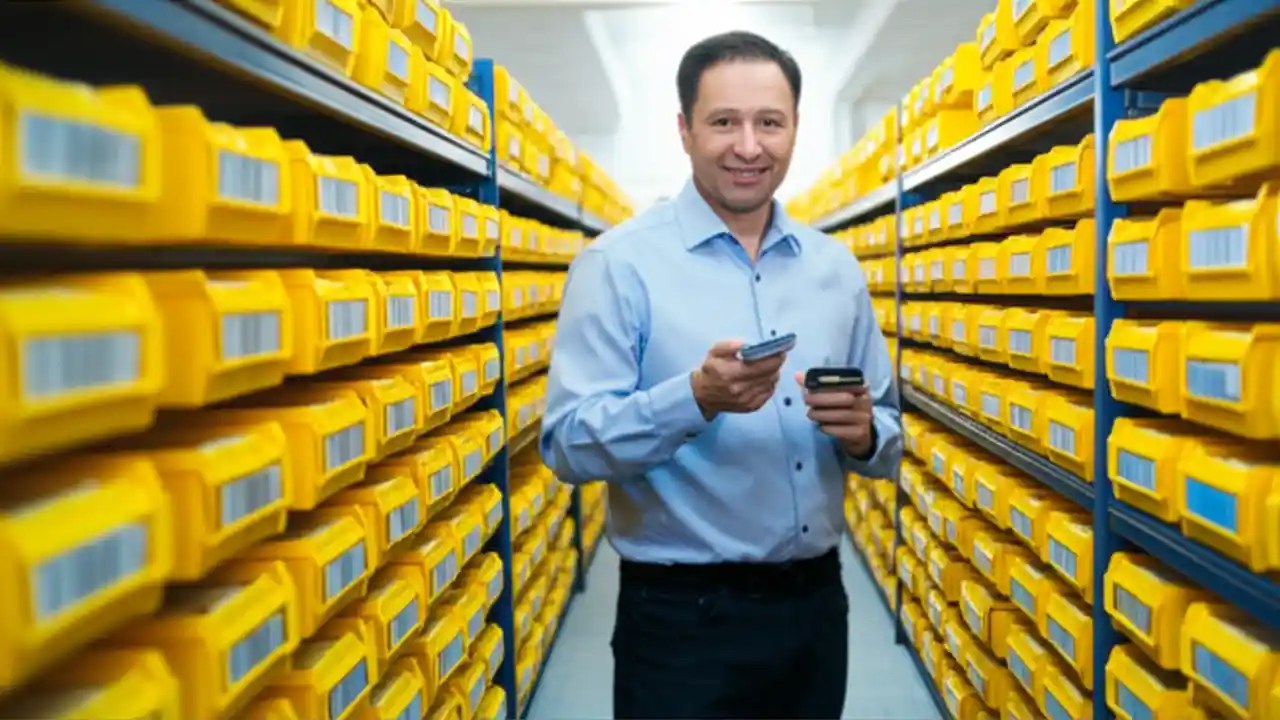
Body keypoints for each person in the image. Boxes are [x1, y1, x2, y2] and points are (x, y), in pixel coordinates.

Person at [539, 30, 902, 720]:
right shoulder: (617, 266)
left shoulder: (836, 271)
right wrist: (694, 399)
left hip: (816, 608)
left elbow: (887, 432)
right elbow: (566, 445)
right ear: (684, 130)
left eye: (770, 122)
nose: (748, 146)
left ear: (795, 127)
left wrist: (863, 436)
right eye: (723, 122)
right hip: (681, 623)